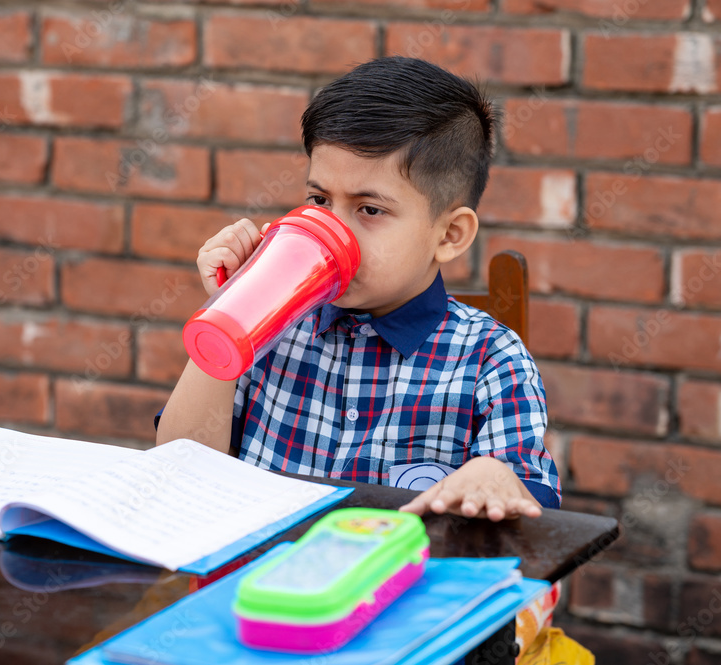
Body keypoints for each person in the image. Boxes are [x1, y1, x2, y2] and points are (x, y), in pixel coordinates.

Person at [155, 56, 560, 521]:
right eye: (320, 200)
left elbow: (528, 510)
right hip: (252, 578)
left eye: (369, 210)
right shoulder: (274, 325)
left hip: (397, 587)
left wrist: (495, 477)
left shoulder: (490, 358)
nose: (333, 230)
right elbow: (178, 470)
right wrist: (232, 311)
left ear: (449, 235)